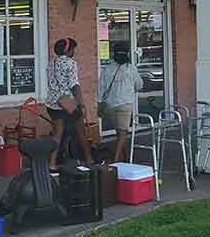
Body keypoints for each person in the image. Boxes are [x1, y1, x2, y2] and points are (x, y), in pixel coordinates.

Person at [46, 37, 92, 172]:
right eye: (73, 49)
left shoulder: (50, 63)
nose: (74, 52)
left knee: (57, 134)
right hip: (67, 103)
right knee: (81, 132)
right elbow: (74, 85)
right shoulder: (71, 63)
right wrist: (82, 105)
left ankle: (52, 163)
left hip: (52, 102)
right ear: (68, 50)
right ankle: (89, 159)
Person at [98, 43, 143, 163]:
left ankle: (127, 158)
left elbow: (100, 89)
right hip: (125, 106)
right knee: (122, 135)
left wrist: (99, 105)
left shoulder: (107, 69)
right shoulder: (131, 68)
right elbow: (139, 85)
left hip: (110, 106)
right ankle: (116, 160)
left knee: (120, 134)